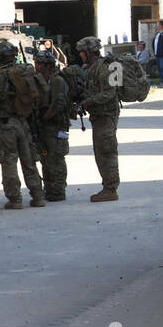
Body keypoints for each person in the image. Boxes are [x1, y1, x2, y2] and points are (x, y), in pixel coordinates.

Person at [0, 40, 45, 210]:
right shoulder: (25, 73)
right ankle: (38, 196)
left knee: (9, 162)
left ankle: (15, 199)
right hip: (24, 122)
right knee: (29, 161)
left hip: (6, 125)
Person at [75, 36, 119, 202]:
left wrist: (89, 101)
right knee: (100, 152)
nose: (80, 55)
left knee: (107, 151)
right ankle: (108, 186)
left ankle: (111, 189)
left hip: (106, 116)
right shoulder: (92, 68)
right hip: (99, 116)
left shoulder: (104, 68)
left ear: (89, 52)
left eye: (82, 52)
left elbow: (110, 93)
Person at [34, 49, 70, 201]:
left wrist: (46, 117)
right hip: (44, 126)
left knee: (56, 158)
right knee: (45, 158)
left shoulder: (57, 81)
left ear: (48, 65)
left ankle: (58, 191)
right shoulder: (42, 80)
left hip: (55, 126)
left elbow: (58, 103)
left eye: (40, 64)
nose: (37, 66)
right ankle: (49, 189)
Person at [152, 21, 163, 87]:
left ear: (161, 26)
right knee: (159, 68)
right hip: (157, 54)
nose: (156, 26)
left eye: (157, 25)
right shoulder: (158, 34)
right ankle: (162, 81)